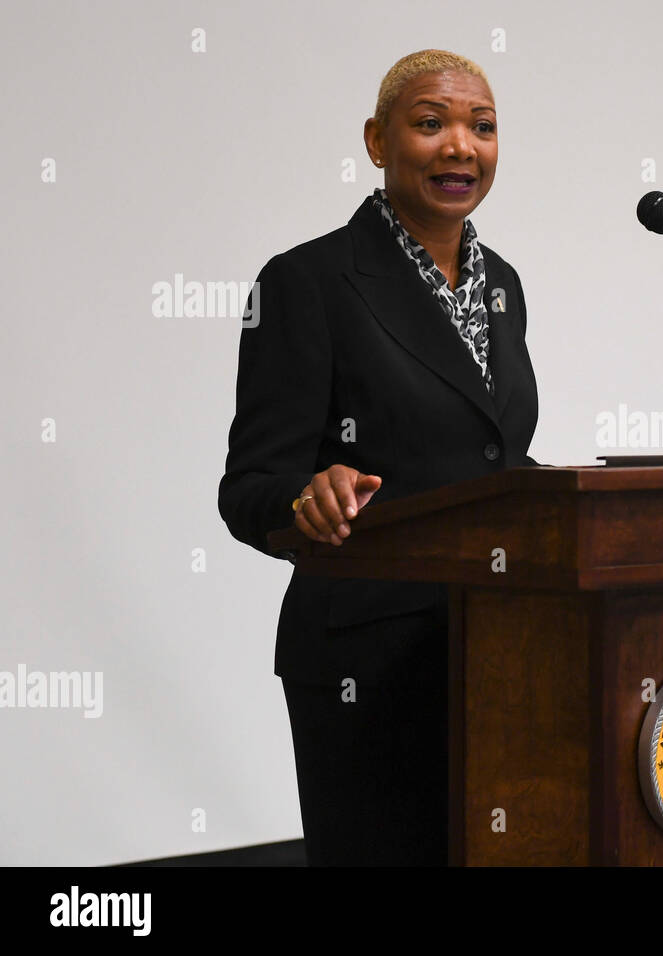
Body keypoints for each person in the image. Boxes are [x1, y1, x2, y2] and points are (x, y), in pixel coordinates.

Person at [217, 49, 541, 865]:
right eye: (431, 123)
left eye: (483, 127)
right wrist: (304, 497)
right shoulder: (306, 281)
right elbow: (249, 486)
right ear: (376, 140)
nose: (460, 146)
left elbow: (492, 456)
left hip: (500, 649)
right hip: (367, 666)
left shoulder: (501, 284)